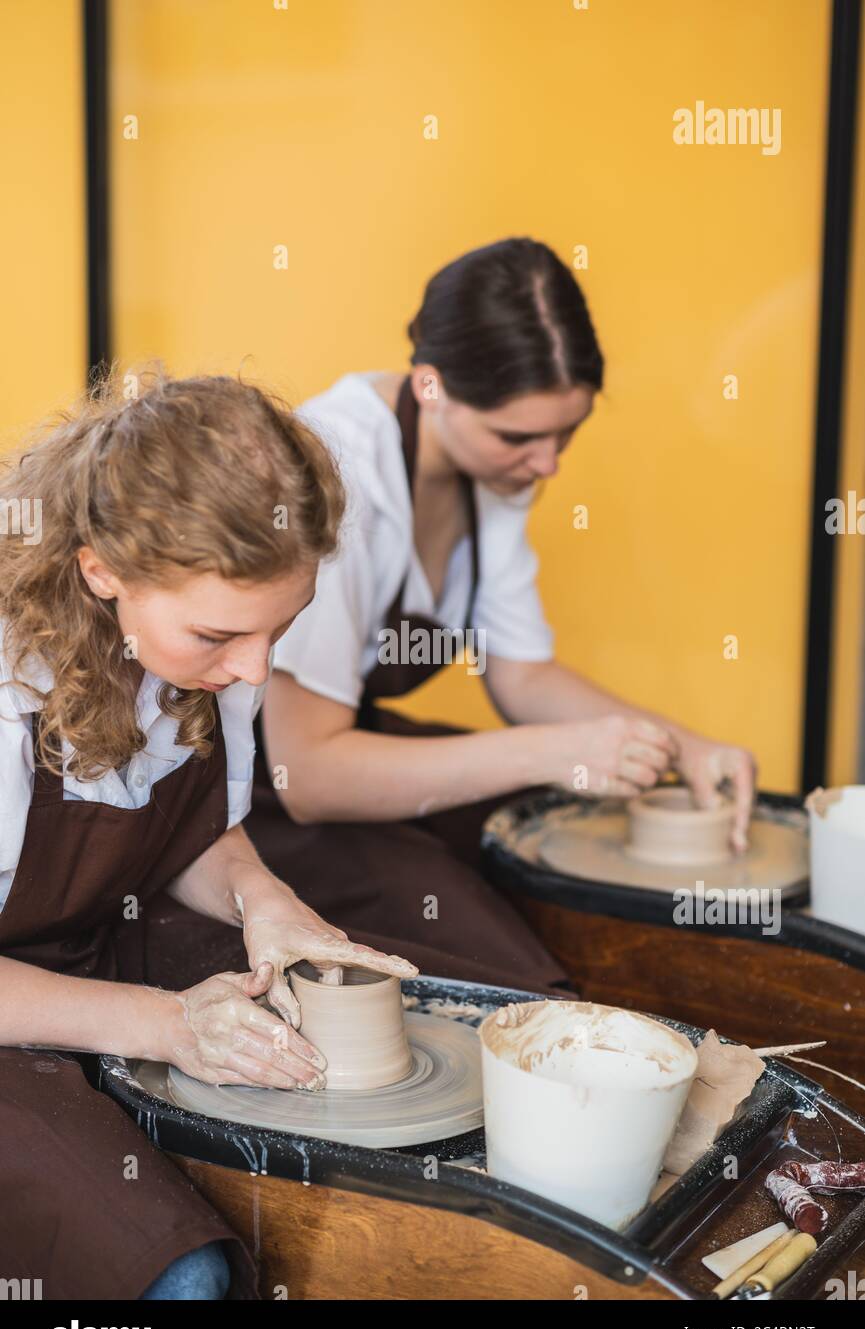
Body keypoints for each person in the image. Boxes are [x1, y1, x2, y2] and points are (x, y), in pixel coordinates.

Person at [0, 368, 415, 1300]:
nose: (256, 666)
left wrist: (266, 902)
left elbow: (190, 834)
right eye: (219, 636)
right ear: (100, 569)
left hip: (92, 941)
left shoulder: (226, 639)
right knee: (176, 1276)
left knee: (366, 1033)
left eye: (284, 625)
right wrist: (167, 1024)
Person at [246, 238, 755, 990]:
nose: (547, 464)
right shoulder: (334, 467)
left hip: (349, 749)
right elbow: (308, 774)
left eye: (566, 432)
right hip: (251, 790)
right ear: (430, 386)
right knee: (517, 979)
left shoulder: (494, 472)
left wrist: (683, 746)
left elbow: (521, 674)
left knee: (549, 819)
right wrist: (557, 752)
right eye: (518, 436)